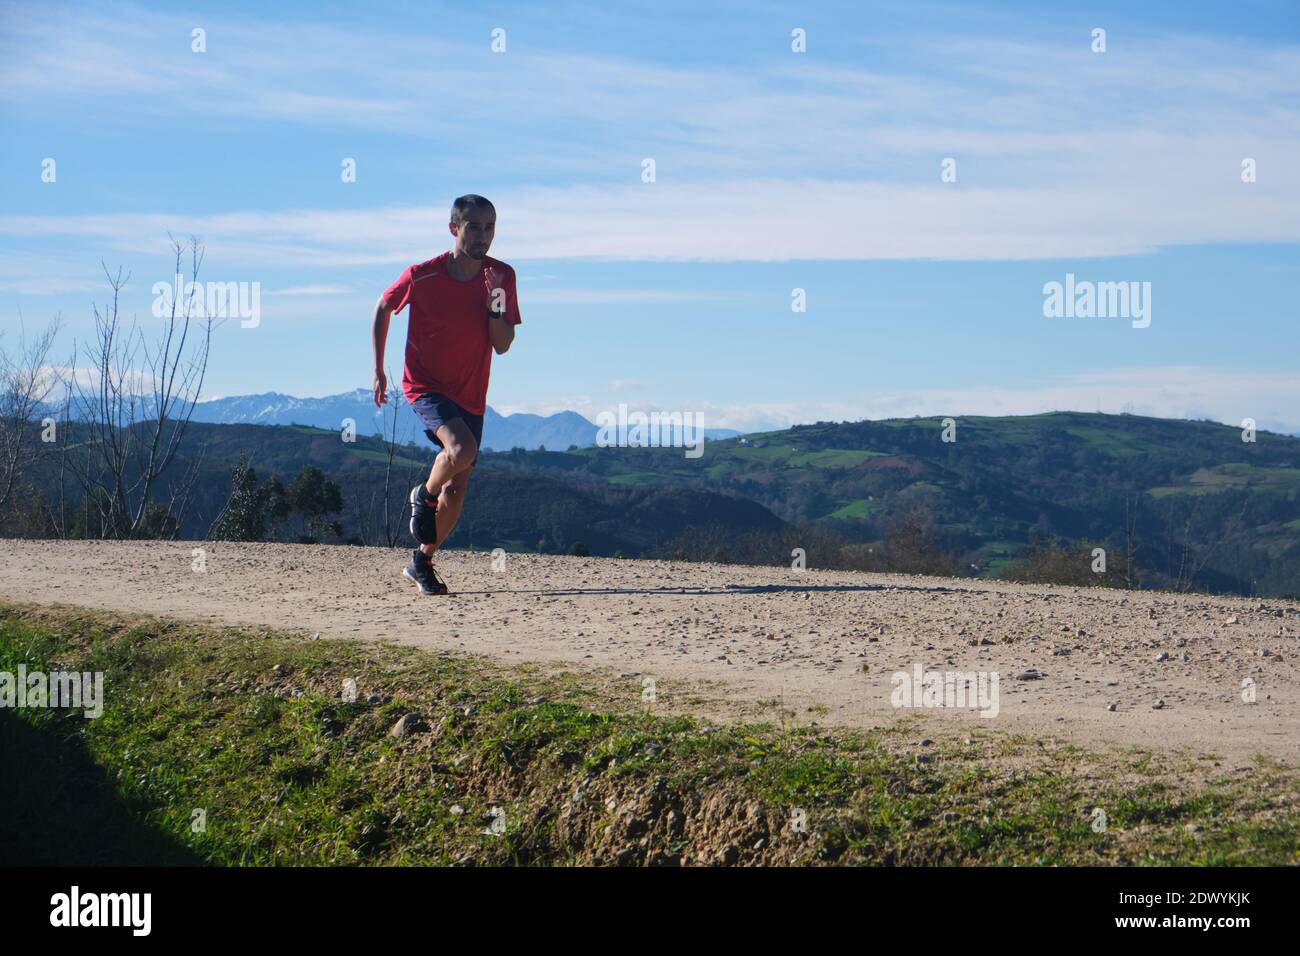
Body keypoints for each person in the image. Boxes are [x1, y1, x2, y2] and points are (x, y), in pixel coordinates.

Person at [370, 194, 521, 594]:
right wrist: (378, 369)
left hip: (470, 392)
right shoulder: (423, 275)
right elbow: (384, 307)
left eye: (490, 227)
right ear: (454, 228)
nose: (483, 236)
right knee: (461, 450)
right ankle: (424, 494)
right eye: (474, 226)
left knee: (459, 486)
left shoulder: (501, 278)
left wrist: (493, 307)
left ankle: (421, 561)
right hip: (424, 384)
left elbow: (503, 344)